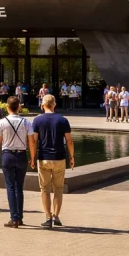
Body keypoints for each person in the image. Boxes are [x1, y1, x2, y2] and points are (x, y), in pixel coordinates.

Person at [30, 95, 74, 228]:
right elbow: (69, 141)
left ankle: (48, 217)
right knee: (59, 189)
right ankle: (56, 216)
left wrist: (32, 158)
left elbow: (33, 141)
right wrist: (71, 157)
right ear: (54, 105)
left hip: (44, 158)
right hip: (59, 158)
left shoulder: (37, 120)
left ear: (42, 105)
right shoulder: (63, 120)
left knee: (45, 189)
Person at [0, 96, 36, 227]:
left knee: (10, 187)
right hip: (22, 155)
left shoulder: (1, 122)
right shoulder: (26, 122)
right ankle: (20, 217)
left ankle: (14, 218)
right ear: (19, 107)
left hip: (7, 155)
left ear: (7, 107)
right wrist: (32, 158)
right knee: (19, 187)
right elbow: (32, 142)